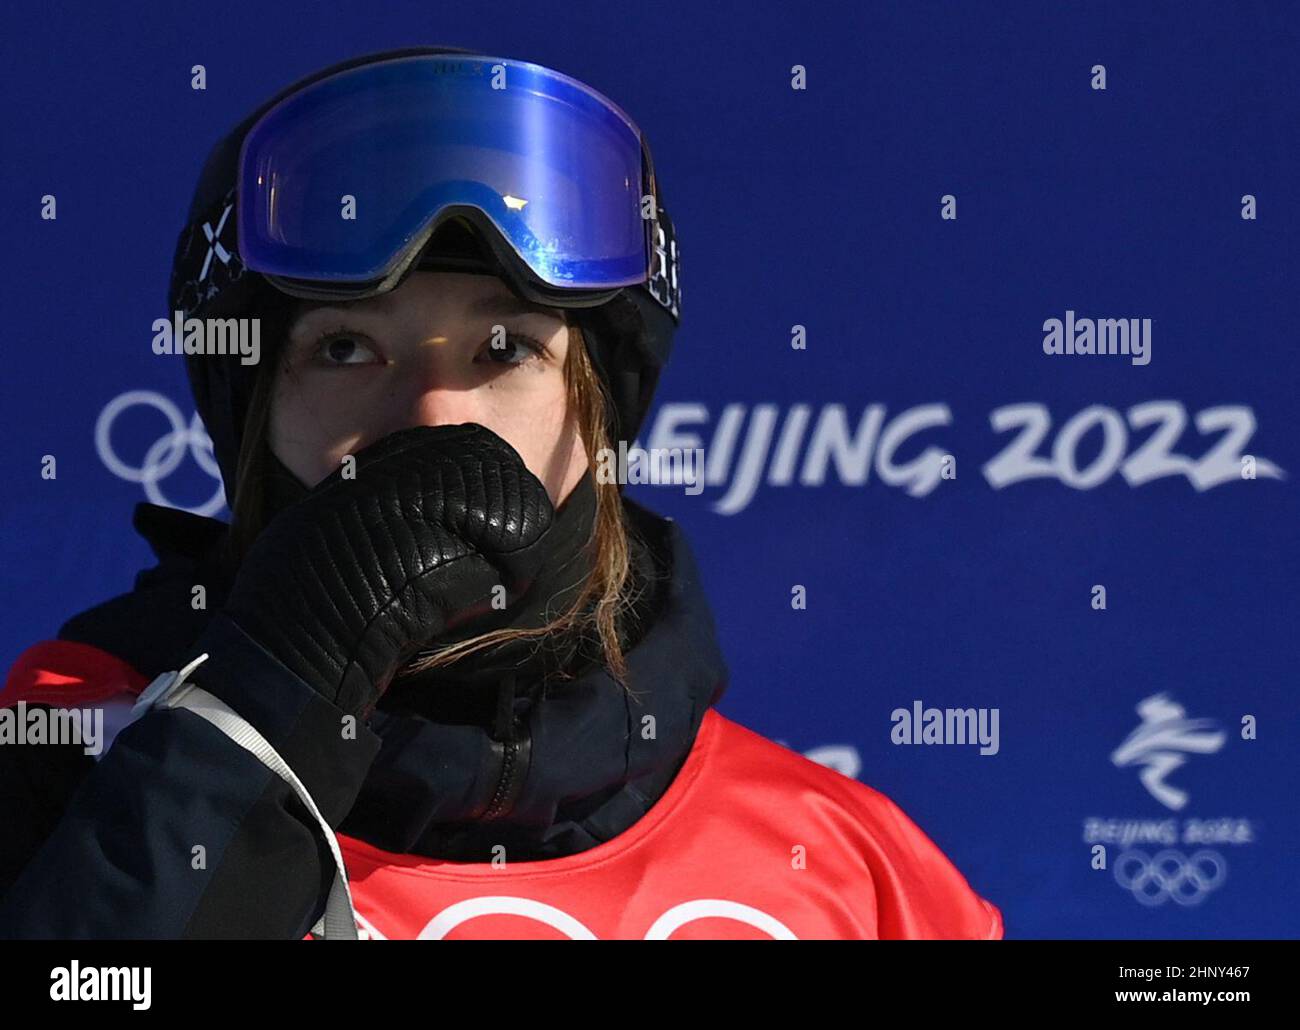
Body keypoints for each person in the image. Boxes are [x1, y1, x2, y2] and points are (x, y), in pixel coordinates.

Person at [0, 45, 1002, 940]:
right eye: (346, 347)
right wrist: (265, 707)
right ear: (254, 417)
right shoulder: (71, 745)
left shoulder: (854, 865)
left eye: (502, 347)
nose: (433, 415)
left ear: (599, 410)